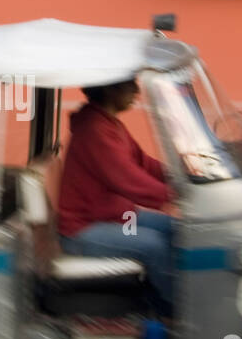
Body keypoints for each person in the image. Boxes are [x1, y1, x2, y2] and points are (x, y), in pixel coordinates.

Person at [57, 78, 175, 311]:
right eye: (130, 85)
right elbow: (127, 179)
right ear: (110, 88)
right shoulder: (94, 129)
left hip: (115, 217)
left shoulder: (109, 124)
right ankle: (176, 310)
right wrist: (173, 195)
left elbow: (142, 163)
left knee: (179, 230)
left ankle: (165, 293)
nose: (137, 91)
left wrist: (180, 177)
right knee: (155, 246)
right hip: (82, 230)